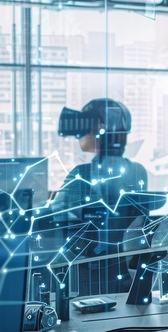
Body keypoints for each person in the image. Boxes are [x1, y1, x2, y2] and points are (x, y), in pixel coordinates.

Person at [49, 98, 161, 297]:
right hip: (123, 274)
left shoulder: (82, 174)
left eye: (87, 125)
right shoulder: (137, 171)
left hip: (87, 278)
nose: (80, 133)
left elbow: (54, 220)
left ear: (100, 129)